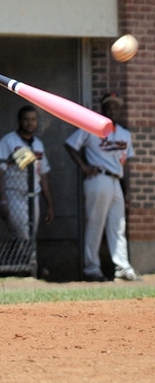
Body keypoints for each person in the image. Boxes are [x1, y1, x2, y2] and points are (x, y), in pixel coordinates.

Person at [64, 92, 139, 281]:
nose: (112, 110)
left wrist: (127, 190)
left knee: (118, 225)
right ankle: (91, 269)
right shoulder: (91, 128)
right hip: (98, 179)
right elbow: (70, 145)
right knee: (95, 224)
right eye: (109, 106)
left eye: (115, 106)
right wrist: (84, 166)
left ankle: (122, 267)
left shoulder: (125, 134)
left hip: (116, 181)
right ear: (103, 109)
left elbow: (126, 165)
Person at [0, 104, 53, 241]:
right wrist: (2, 199)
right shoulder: (9, 140)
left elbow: (43, 174)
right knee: (24, 236)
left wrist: (49, 204)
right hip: (14, 194)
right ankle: (25, 261)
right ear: (19, 120)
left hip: (33, 195)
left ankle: (22, 261)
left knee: (30, 236)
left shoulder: (38, 144)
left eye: (33, 119)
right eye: (26, 119)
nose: (30, 123)